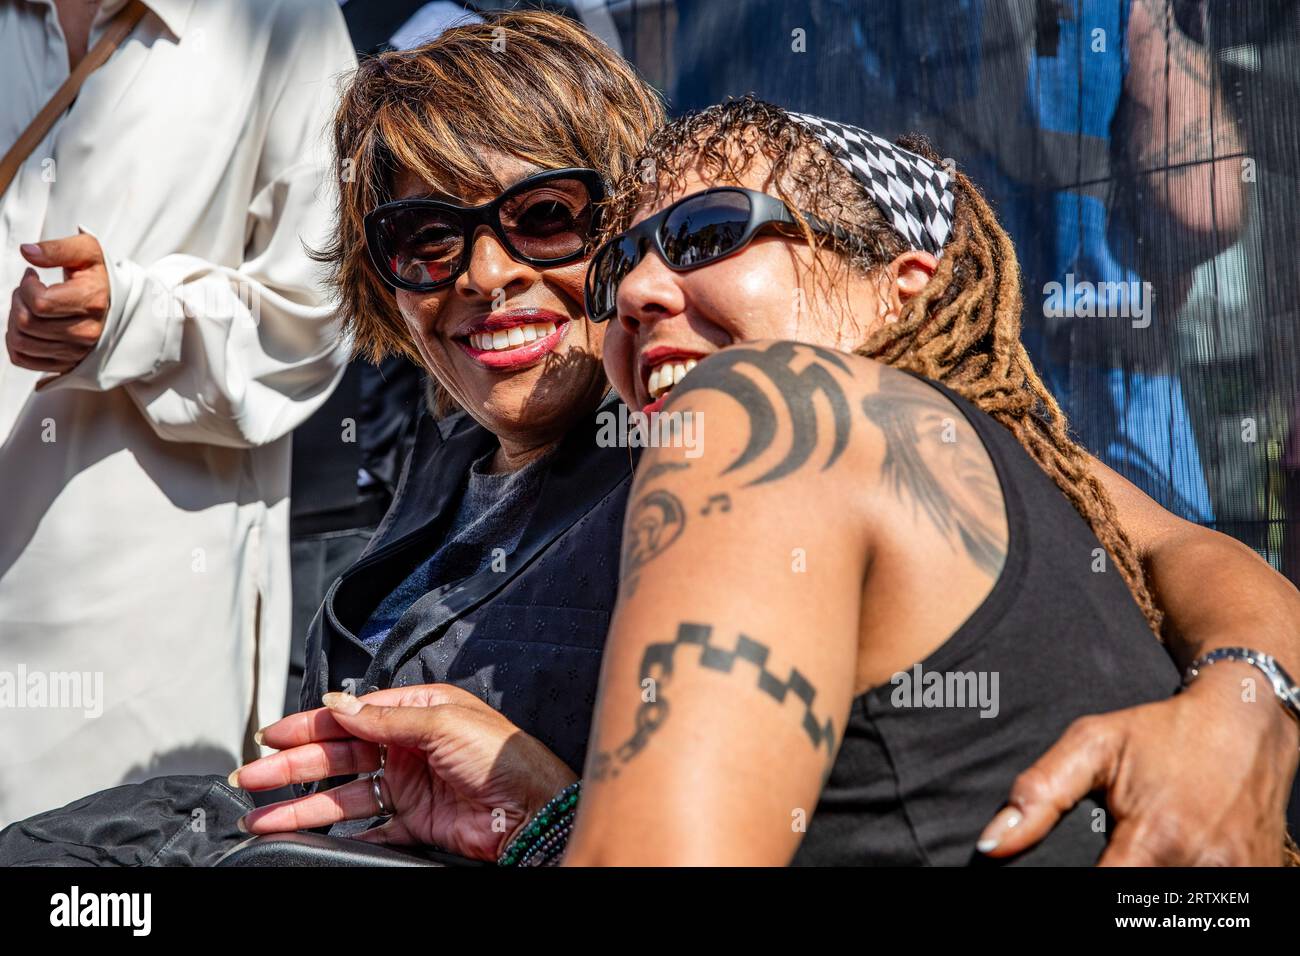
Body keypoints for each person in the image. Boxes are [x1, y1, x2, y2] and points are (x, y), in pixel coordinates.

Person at [3, 13, 1297, 866]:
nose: (491, 275)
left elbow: (1188, 552)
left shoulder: (744, 421)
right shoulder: (446, 471)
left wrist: (1249, 702)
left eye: (557, 221)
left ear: (900, 283)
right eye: (425, 240)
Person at [0, 0, 355, 824]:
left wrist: (136, 320)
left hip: (140, 631)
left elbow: (316, 321)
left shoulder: (282, 19)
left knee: (107, 878)